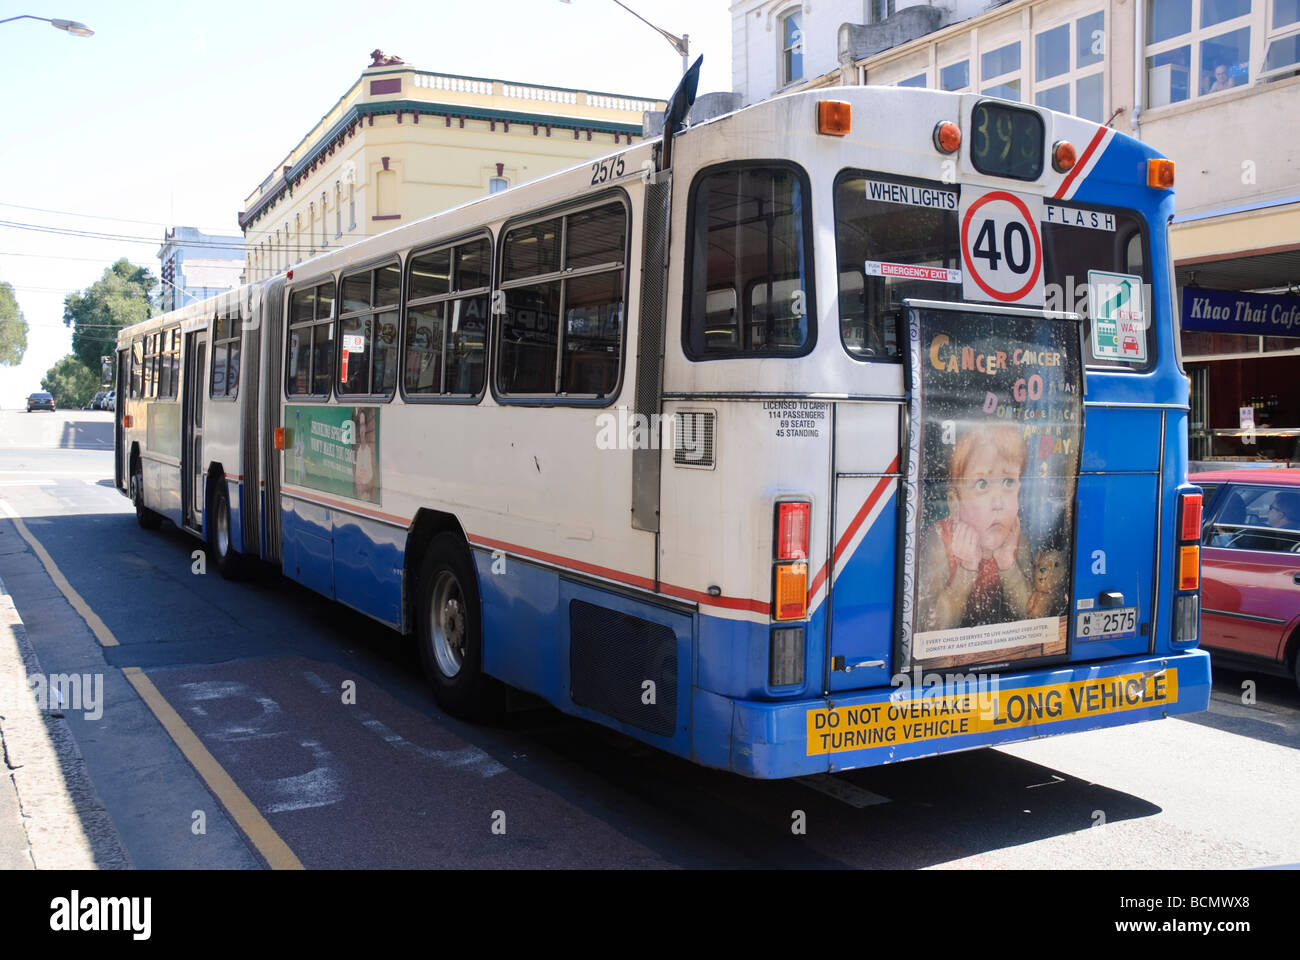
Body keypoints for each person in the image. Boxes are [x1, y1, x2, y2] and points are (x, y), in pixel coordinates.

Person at [919, 423, 1034, 633]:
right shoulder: (941, 542)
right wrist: (967, 568)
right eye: (982, 485)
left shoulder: (1014, 539)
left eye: (1008, 482)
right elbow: (930, 626)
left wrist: (1008, 564)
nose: (998, 502)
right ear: (955, 504)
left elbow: (1033, 616)